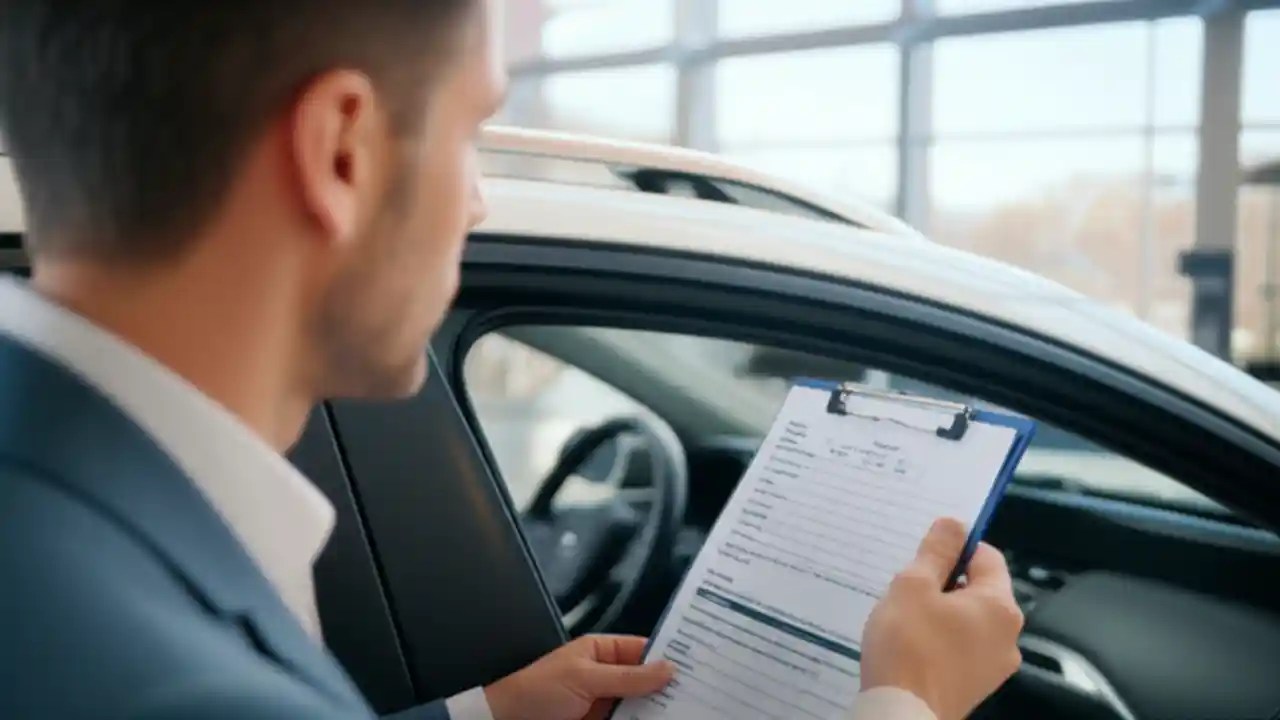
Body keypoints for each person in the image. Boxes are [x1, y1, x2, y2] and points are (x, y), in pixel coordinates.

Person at [0, 1, 1024, 719]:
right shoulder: (168, 682)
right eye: (470, 133)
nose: (478, 202)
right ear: (340, 153)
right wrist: (906, 701)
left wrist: (488, 714)